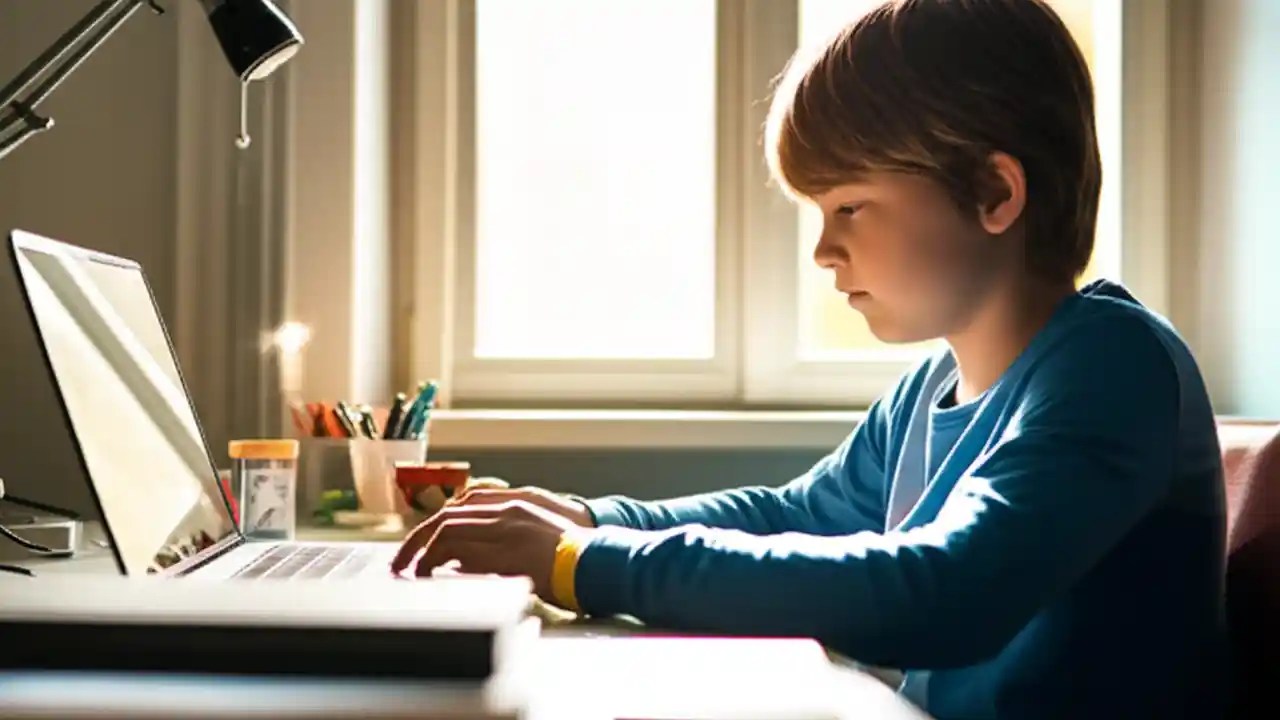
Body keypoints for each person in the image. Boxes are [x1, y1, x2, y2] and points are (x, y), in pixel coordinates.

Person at [390, 1, 1228, 717]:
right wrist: (591, 520)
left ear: (995, 194)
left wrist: (584, 565)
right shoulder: (928, 392)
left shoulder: (1113, 365)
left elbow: (944, 592)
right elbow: (791, 515)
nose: (824, 251)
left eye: (851, 206)